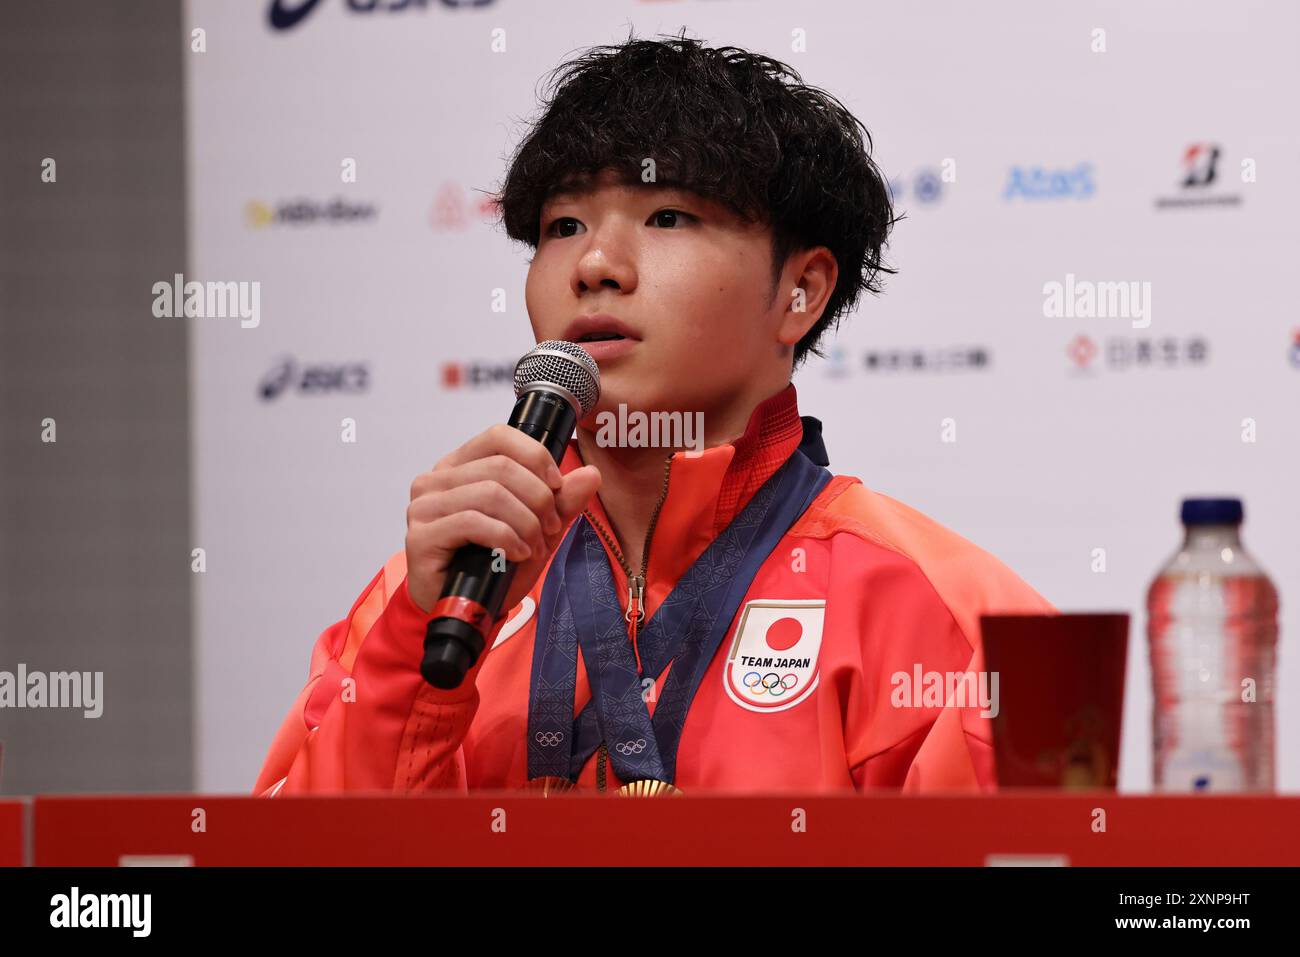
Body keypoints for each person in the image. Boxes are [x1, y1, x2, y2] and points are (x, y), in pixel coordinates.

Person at [254, 32, 1054, 798]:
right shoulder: (430, 598)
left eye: (667, 217)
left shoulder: (954, 618)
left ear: (800, 290)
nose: (595, 264)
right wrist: (415, 662)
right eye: (562, 227)